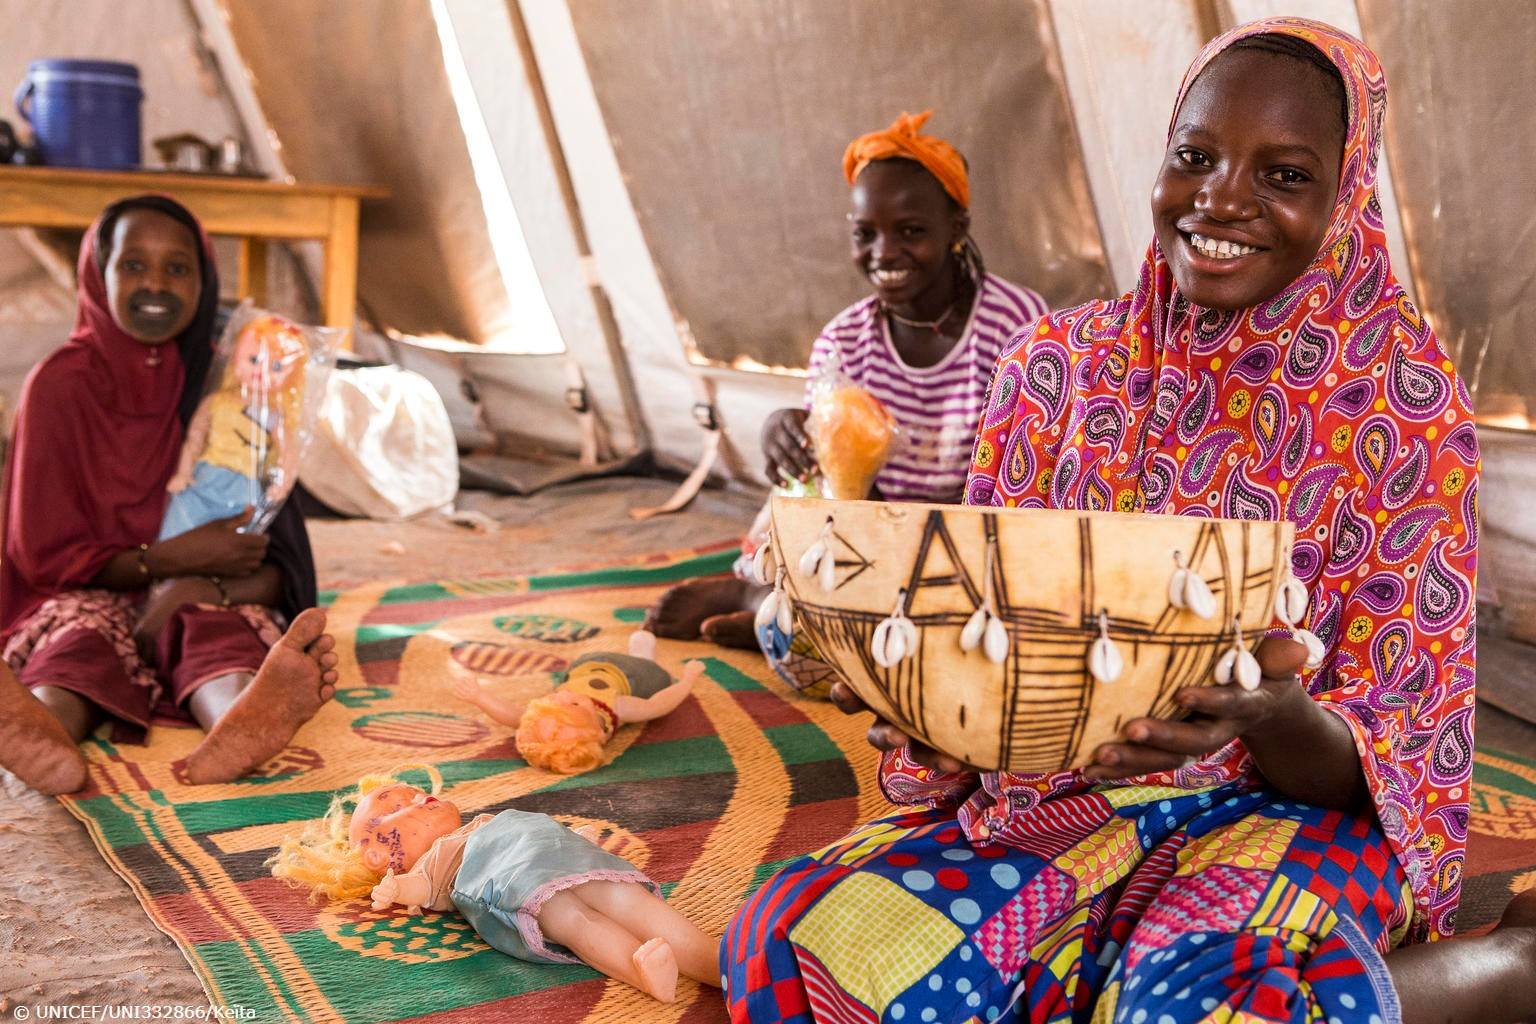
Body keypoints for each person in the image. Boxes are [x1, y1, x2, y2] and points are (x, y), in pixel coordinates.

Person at [722, 19, 1535, 1024]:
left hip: (1287, 806)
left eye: (1283, 174)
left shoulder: (1402, 407)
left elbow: (1395, 757)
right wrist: (919, 691)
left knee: (1184, 1010)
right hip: (1068, 797)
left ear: (1347, 195)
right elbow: (994, 641)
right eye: (1194, 156)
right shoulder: (1057, 369)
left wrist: (1266, 711)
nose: (1222, 198)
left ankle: (1509, 969)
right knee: (787, 944)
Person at [648, 111, 1049, 664]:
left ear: (957, 229)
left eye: (911, 231)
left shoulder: (1016, 322)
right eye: (866, 234)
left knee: (997, 610)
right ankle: (764, 592)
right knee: (799, 502)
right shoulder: (846, 339)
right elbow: (829, 478)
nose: (884, 253)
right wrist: (784, 431)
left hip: (978, 527)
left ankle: (791, 608)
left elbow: (1035, 460)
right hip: (877, 525)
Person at [0, 194, 339, 794]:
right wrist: (171, 561)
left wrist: (193, 582)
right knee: (78, 643)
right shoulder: (59, 384)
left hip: (202, 587)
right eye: (133, 264)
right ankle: (40, 730)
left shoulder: (228, 385)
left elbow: (275, 562)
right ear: (97, 274)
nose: (155, 283)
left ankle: (238, 721)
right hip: (83, 590)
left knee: (214, 631)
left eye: (177, 268)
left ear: (204, 282)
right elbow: (39, 557)